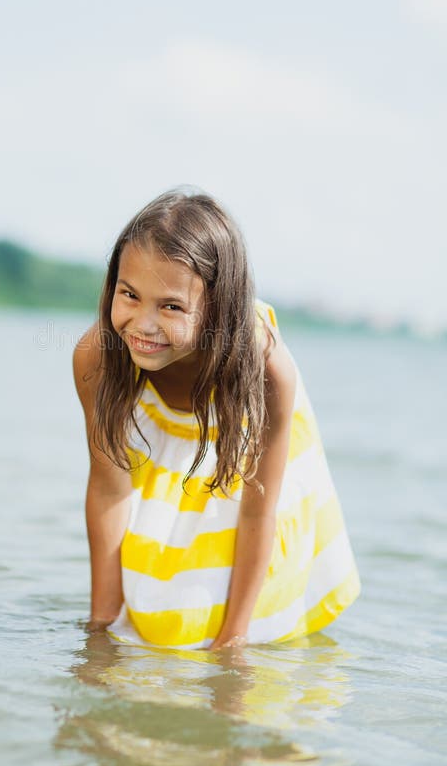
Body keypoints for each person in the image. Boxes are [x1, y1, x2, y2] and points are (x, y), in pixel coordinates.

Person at [73, 189, 360, 651]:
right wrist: (101, 626)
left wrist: (233, 643)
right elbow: (108, 487)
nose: (142, 325)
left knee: (244, 627)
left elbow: (257, 510)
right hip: (170, 449)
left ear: (216, 309)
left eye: (170, 306)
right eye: (129, 295)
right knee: (151, 621)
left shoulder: (267, 371)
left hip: (246, 458)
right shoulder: (99, 357)